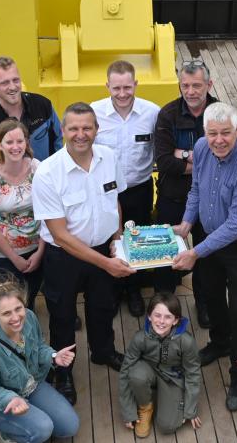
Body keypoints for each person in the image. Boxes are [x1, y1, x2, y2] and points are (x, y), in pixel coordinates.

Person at [32, 102, 135, 404]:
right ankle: (63, 371)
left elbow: (114, 200)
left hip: (104, 248)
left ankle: (102, 351)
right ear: (63, 131)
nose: (81, 134)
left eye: (87, 127)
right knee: (62, 316)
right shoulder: (48, 173)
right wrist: (107, 263)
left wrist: (117, 240)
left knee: (103, 307)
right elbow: (61, 236)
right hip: (63, 257)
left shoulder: (109, 157)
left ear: (96, 130)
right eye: (74, 128)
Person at [171, 102, 237, 411]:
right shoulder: (200, 148)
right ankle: (219, 342)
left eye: (226, 133)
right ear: (205, 133)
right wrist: (186, 222)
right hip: (206, 239)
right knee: (210, 296)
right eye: (213, 133)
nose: (219, 140)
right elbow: (196, 190)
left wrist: (195, 252)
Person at [0, 277, 79, 443]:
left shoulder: (30, 318)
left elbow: (39, 347)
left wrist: (54, 356)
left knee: (70, 426)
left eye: (18, 309)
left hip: (29, 385)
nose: (16, 318)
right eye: (6, 313)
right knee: (43, 429)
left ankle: (28, 422)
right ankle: (8, 435)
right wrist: (10, 399)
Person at [92, 60, 162, 317]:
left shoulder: (152, 113)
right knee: (106, 241)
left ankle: (133, 289)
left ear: (136, 85)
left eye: (127, 88)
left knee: (136, 242)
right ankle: (111, 290)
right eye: (116, 88)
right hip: (105, 191)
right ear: (107, 86)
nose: (122, 94)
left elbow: (159, 149)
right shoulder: (94, 113)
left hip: (138, 189)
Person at [153, 60, 218, 328]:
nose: (190, 91)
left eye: (196, 85)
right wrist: (202, 160)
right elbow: (164, 161)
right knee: (166, 256)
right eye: (185, 85)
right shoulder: (167, 115)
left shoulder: (220, 113)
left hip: (209, 201)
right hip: (172, 197)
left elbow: (224, 156)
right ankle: (164, 306)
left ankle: (203, 303)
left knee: (205, 257)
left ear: (209, 85)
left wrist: (185, 156)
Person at [0, 119, 45, 307]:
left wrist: (40, 252)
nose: (15, 147)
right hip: (2, 254)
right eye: (9, 142)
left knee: (29, 298)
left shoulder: (37, 169)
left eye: (20, 141)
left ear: (26, 143)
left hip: (35, 250)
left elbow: (49, 211)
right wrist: (15, 258)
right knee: (6, 303)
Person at [0, 56, 62, 179]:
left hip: (47, 187)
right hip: (3, 196)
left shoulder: (43, 106)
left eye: (15, 80)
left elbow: (59, 143)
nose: (13, 87)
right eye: (5, 83)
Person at [118, 293, 203, 437]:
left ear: (176, 320)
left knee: (168, 426)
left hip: (172, 379)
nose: (162, 321)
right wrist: (128, 411)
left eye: (168, 317)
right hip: (147, 371)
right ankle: (145, 407)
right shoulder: (140, 338)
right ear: (149, 316)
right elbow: (125, 371)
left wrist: (190, 409)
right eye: (157, 315)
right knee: (136, 375)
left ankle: (170, 399)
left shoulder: (186, 342)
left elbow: (193, 374)